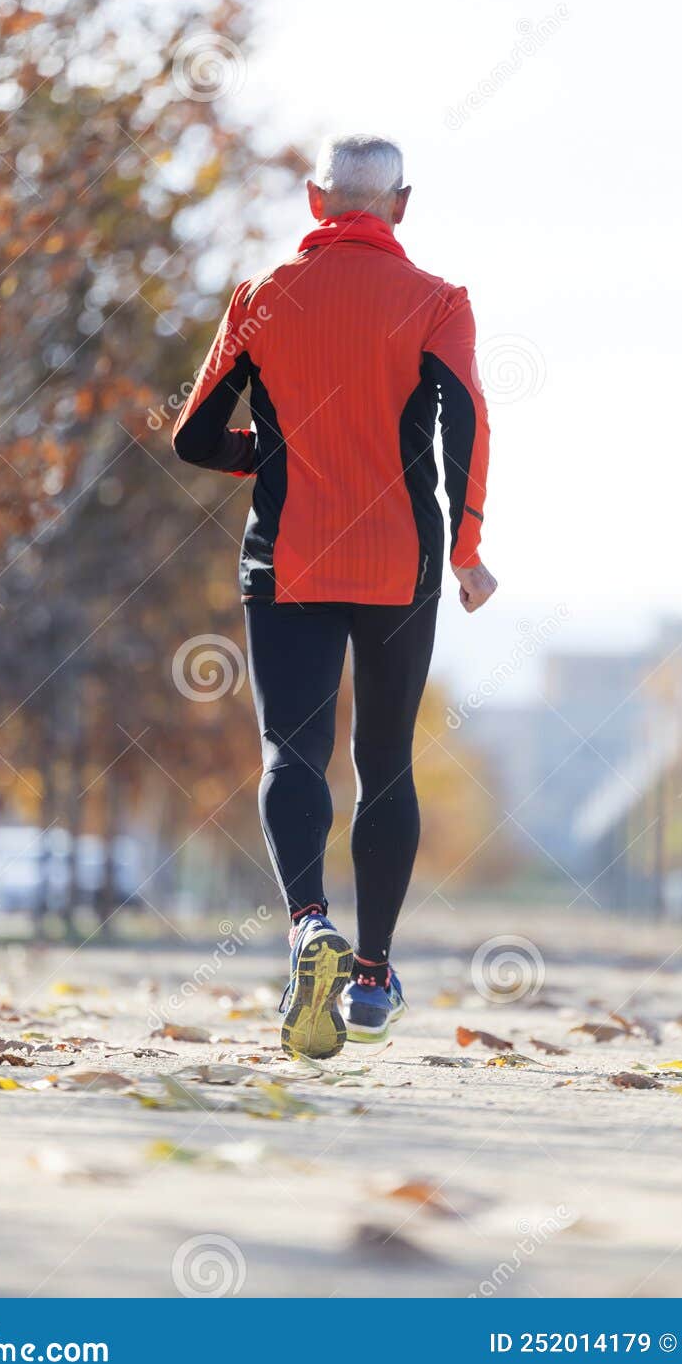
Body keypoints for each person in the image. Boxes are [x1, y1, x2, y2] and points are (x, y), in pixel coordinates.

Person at [173, 134, 496, 1056]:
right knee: (385, 761)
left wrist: (264, 456)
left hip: (288, 560)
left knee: (293, 753)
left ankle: (309, 922)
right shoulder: (440, 304)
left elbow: (198, 436)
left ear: (317, 202)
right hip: (402, 563)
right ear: (401, 204)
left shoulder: (259, 299)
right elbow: (466, 437)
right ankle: (372, 977)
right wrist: (467, 549)